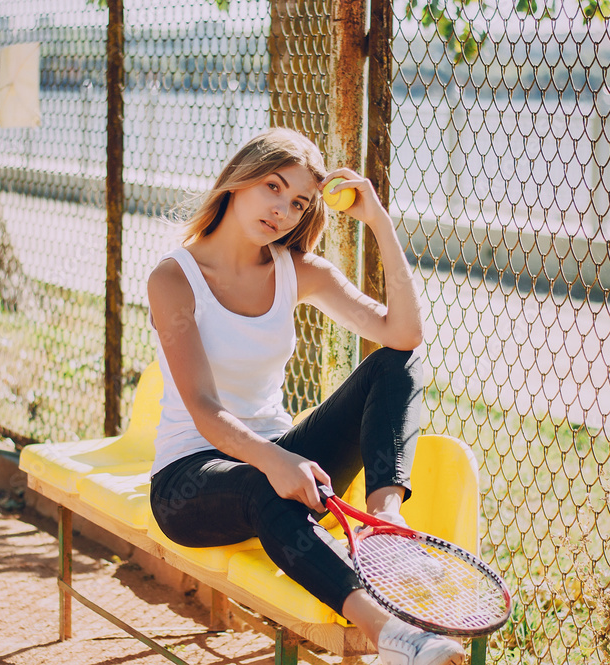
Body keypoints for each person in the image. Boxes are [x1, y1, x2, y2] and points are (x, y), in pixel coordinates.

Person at [146, 128, 465, 665]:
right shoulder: (174, 278)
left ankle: (386, 527)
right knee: (263, 486)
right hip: (188, 480)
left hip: (284, 456)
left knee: (397, 362)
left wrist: (379, 221)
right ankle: (394, 638)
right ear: (239, 180)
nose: (282, 210)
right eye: (273, 187)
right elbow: (203, 408)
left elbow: (404, 335)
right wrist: (276, 460)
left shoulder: (299, 273)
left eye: (298, 202)